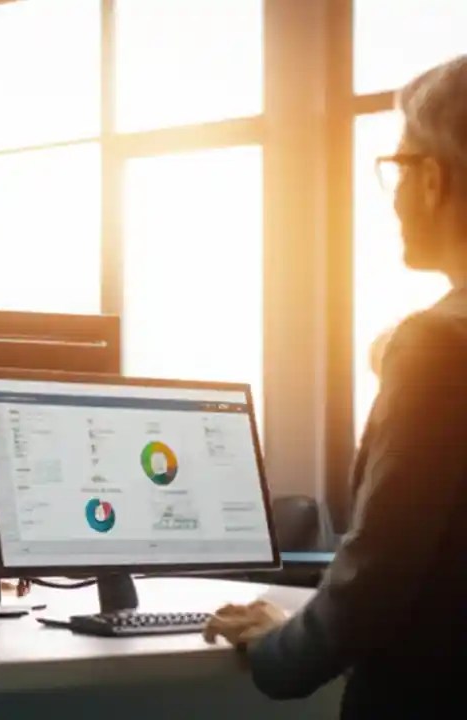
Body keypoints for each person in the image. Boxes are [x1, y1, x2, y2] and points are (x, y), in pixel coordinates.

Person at [203, 55, 467, 717]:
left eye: (398, 169)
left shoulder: (438, 347)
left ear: (432, 180)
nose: (395, 198)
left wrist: (274, 646)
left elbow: (374, 583)